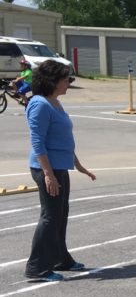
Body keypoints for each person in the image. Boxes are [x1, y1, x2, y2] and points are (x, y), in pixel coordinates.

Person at [24, 59, 96, 283]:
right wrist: (48, 174)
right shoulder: (40, 104)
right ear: (53, 81)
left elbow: (63, 139)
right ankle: (36, 267)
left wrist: (78, 164)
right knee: (50, 217)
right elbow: (38, 142)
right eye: (66, 79)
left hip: (59, 167)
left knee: (60, 216)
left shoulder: (54, 102)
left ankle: (60, 259)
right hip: (47, 168)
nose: (69, 83)